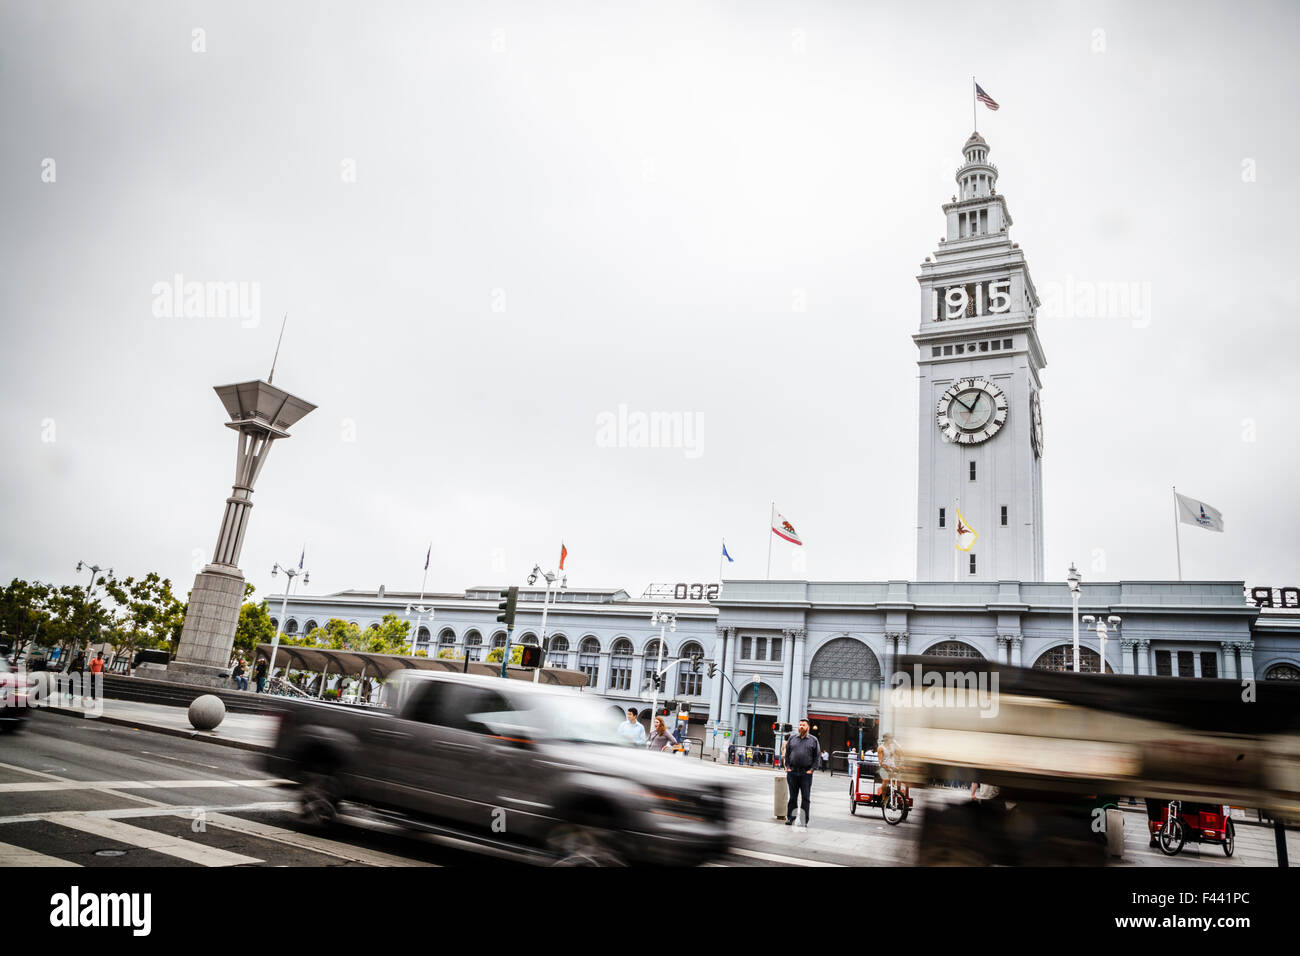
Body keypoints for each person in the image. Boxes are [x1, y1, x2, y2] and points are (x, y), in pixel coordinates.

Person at [782, 718, 821, 826]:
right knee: (793, 797)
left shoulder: (813, 740)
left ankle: (804, 821)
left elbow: (817, 756)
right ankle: (790, 818)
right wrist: (788, 767)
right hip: (792, 772)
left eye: (803, 725)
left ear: (807, 727)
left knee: (806, 798)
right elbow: (787, 754)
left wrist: (811, 770)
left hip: (806, 774)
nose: (801, 727)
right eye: (800, 725)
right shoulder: (792, 738)